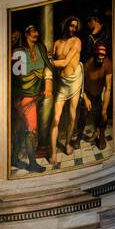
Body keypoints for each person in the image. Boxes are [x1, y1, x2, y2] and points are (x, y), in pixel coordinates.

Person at [12, 23, 52, 172]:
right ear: (26, 33)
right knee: (30, 131)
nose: (36, 33)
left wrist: (48, 86)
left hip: (36, 96)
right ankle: (33, 164)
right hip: (24, 98)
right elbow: (14, 77)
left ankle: (14, 158)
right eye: (32, 31)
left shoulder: (41, 49)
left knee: (21, 129)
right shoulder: (18, 53)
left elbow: (47, 68)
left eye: (37, 31)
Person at [49, 17, 84, 165]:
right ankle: (53, 153)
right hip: (62, 83)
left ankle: (68, 143)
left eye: (75, 27)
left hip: (74, 80)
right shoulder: (57, 43)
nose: (73, 29)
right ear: (65, 25)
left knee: (71, 115)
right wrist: (48, 60)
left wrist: (48, 61)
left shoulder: (77, 41)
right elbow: (51, 56)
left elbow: (64, 62)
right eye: (71, 26)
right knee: (56, 119)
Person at [77, 41, 113, 150]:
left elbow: (108, 87)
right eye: (99, 59)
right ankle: (78, 138)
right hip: (87, 92)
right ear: (95, 55)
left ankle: (101, 136)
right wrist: (86, 98)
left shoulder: (107, 63)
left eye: (103, 58)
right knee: (82, 115)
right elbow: (80, 84)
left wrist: (105, 109)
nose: (101, 61)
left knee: (102, 115)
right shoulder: (87, 64)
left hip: (99, 93)